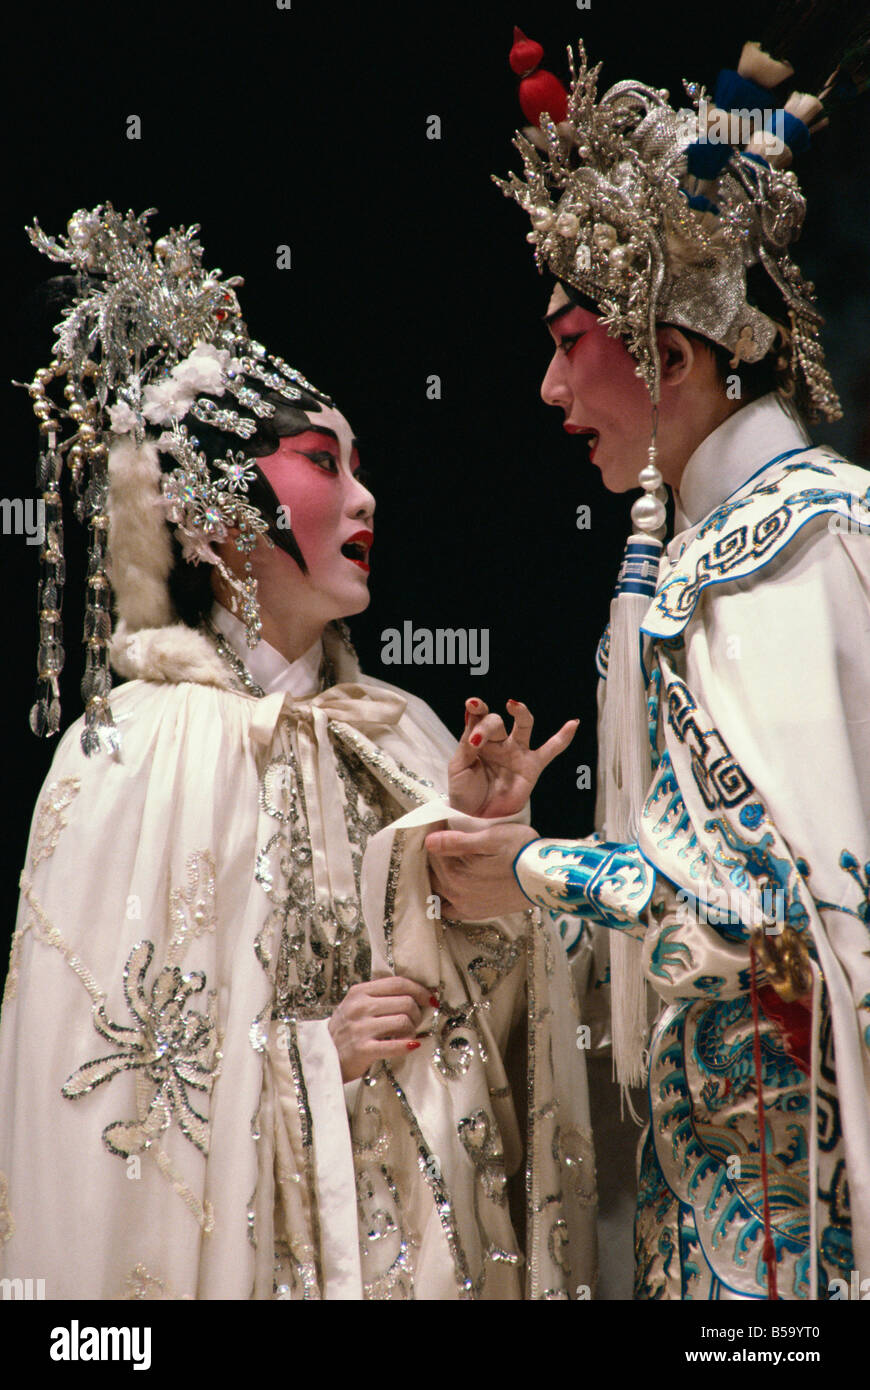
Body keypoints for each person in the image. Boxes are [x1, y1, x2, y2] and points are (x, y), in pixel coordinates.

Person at [0, 205, 596, 1300]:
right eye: (324, 462)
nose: (366, 495)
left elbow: (513, 1048)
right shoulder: (129, 753)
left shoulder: (405, 735)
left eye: (359, 465)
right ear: (211, 511)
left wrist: (485, 854)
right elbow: (100, 1102)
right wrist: (317, 1053)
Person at [427, 30, 870, 1300]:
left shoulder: (792, 544)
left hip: (796, 1219)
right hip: (717, 1207)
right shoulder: (719, 551)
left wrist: (534, 865)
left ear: (673, 359)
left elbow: (781, 921)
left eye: (575, 343)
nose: (551, 387)